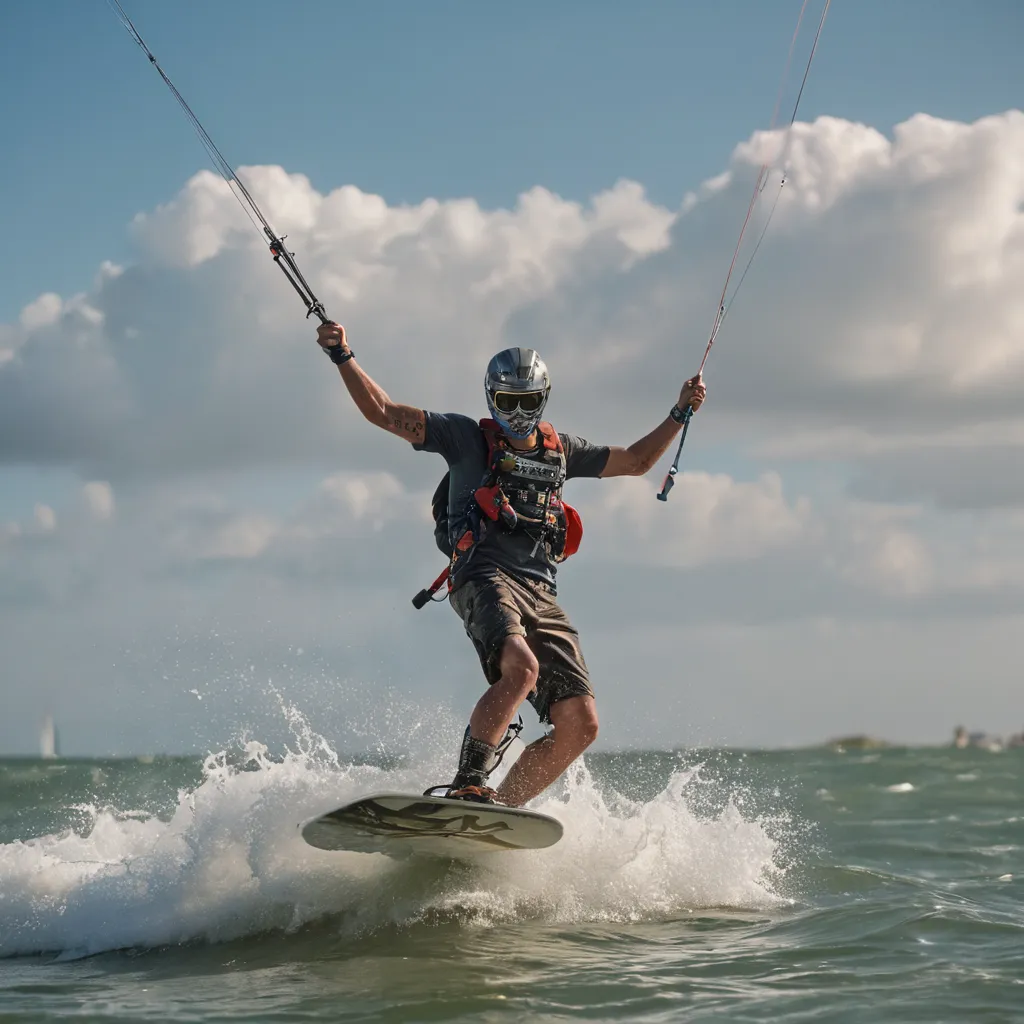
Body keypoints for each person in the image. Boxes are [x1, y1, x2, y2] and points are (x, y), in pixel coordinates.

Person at [315, 322, 707, 806]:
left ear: (542, 398)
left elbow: (638, 461)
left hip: (540, 590)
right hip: (482, 576)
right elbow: (384, 413)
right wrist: (342, 354)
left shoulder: (562, 451)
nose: (517, 414)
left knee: (580, 724)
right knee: (521, 670)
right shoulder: (463, 437)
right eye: (506, 403)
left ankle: (495, 811)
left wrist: (679, 411)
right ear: (490, 399)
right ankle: (468, 783)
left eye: (527, 402)